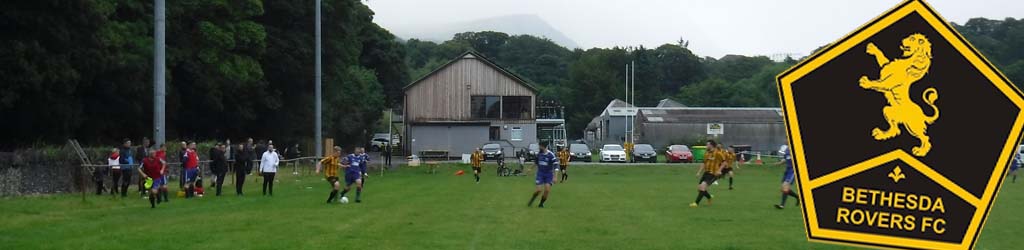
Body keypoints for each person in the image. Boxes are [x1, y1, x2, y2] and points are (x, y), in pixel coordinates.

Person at [691, 140, 724, 207]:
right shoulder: (707, 153)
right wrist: (699, 172)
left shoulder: (718, 153)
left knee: (703, 187)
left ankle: (696, 203)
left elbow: (724, 162)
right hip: (706, 173)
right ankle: (709, 197)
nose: (706, 146)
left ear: (711, 145)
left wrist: (719, 170)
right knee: (699, 188)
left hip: (713, 174)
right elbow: (704, 163)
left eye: (707, 145)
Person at [528, 143, 558, 208]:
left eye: (540, 147)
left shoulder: (551, 155)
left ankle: (541, 204)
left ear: (545, 147)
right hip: (540, 174)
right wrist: (530, 168)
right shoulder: (539, 154)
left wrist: (555, 177)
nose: (539, 148)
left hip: (548, 174)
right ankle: (532, 199)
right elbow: (535, 162)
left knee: (547, 190)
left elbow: (556, 166)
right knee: (538, 190)